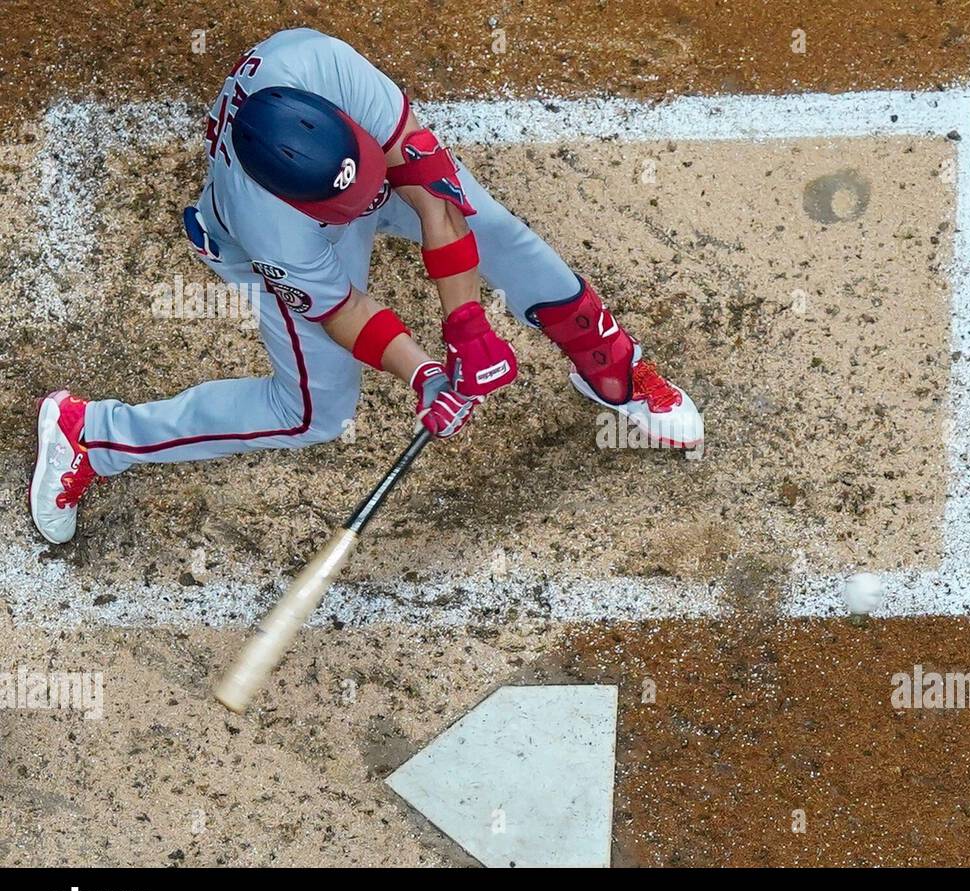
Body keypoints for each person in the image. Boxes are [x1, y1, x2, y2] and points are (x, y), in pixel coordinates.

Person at [30, 27, 702, 545]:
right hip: (287, 240)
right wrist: (426, 376)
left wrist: (466, 325)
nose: (375, 201)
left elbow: (435, 197)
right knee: (310, 415)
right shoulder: (276, 231)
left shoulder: (323, 66)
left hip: (346, 170)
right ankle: (92, 433)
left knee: (485, 219)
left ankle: (607, 360)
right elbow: (345, 309)